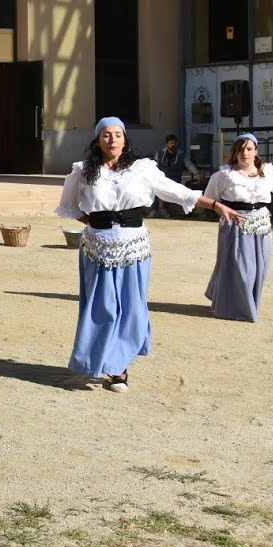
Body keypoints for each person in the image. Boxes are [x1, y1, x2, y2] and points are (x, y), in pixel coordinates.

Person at [56, 117, 241, 392]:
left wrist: (214, 204)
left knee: (131, 307)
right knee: (102, 307)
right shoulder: (83, 172)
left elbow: (175, 191)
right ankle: (96, 361)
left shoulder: (143, 169)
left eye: (118, 134)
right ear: (97, 140)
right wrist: (100, 224)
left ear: (125, 139)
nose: (112, 139)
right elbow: (69, 207)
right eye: (106, 135)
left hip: (134, 247)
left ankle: (119, 369)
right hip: (98, 247)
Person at [203, 134, 273, 322]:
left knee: (258, 269)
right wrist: (222, 210)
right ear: (234, 152)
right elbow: (208, 199)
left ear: (256, 151)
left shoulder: (266, 173)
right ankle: (237, 309)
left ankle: (246, 303)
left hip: (261, 226)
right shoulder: (223, 175)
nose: (244, 153)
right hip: (235, 226)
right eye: (240, 149)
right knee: (240, 269)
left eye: (249, 149)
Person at [151, 134, 201, 217]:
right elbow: (155, 164)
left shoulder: (181, 155)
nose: (173, 145)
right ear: (167, 144)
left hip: (174, 178)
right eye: (171, 143)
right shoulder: (160, 153)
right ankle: (154, 210)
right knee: (155, 190)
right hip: (161, 177)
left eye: (175, 143)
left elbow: (189, 165)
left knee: (169, 192)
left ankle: (165, 209)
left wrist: (197, 173)